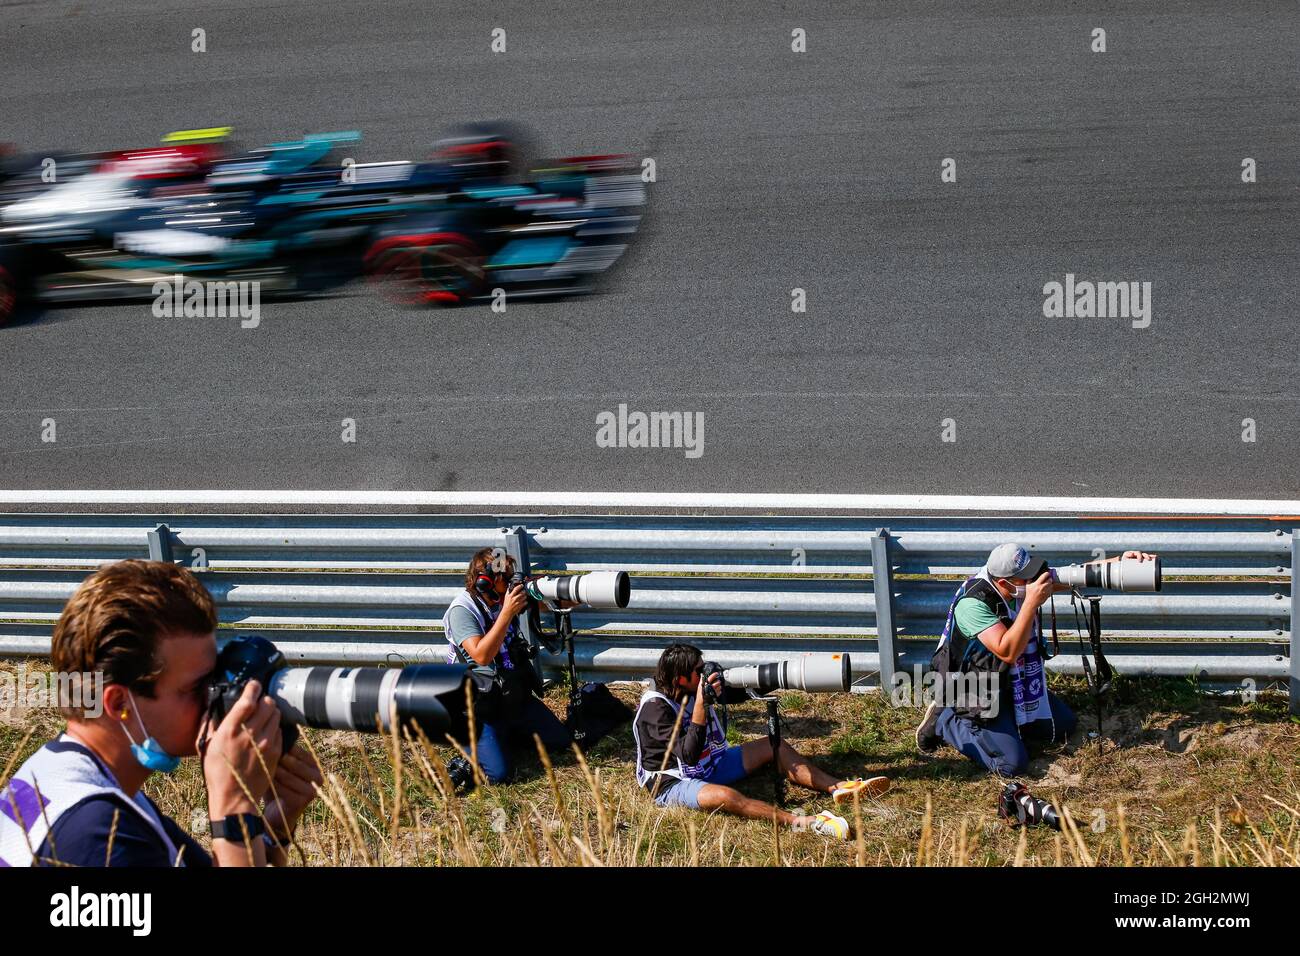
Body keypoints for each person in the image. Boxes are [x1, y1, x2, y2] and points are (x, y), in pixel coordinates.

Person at [0, 560, 322, 867]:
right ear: (118, 705)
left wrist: (270, 831)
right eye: (197, 687)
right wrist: (233, 808)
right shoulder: (96, 836)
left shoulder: (67, 777)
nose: (215, 699)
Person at [915, 543, 1156, 776]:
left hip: (1006, 680)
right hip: (973, 688)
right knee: (1011, 765)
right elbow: (1007, 650)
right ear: (1003, 583)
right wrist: (1030, 603)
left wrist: (1120, 563)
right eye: (1026, 579)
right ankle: (945, 720)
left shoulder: (1016, 582)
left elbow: (1077, 574)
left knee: (1063, 726)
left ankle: (1010, 717)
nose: (1033, 581)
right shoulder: (973, 604)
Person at [632, 643, 890, 839]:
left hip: (708, 764)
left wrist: (795, 668)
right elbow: (687, 755)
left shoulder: (691, 686)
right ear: (680, 680)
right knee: (725, 796)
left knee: (771, 744)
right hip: (672, 781)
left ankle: (838, 787)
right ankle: (806, 821)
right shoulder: (655, 711)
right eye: (699, 671)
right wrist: (701, 702)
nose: (705, 675)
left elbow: (741, 692)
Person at [442, 548, 572, 784]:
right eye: (507, 578)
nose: (513, 584)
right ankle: (470, 746)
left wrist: (581, 589)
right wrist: (507, 612)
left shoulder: (504, 598)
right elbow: (481, 655)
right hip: (479, 707)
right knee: (499, 775)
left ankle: (503, 736)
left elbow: (557, 601)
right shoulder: (463, 611)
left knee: (560, 741)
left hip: (511, 696)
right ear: (485, 583)